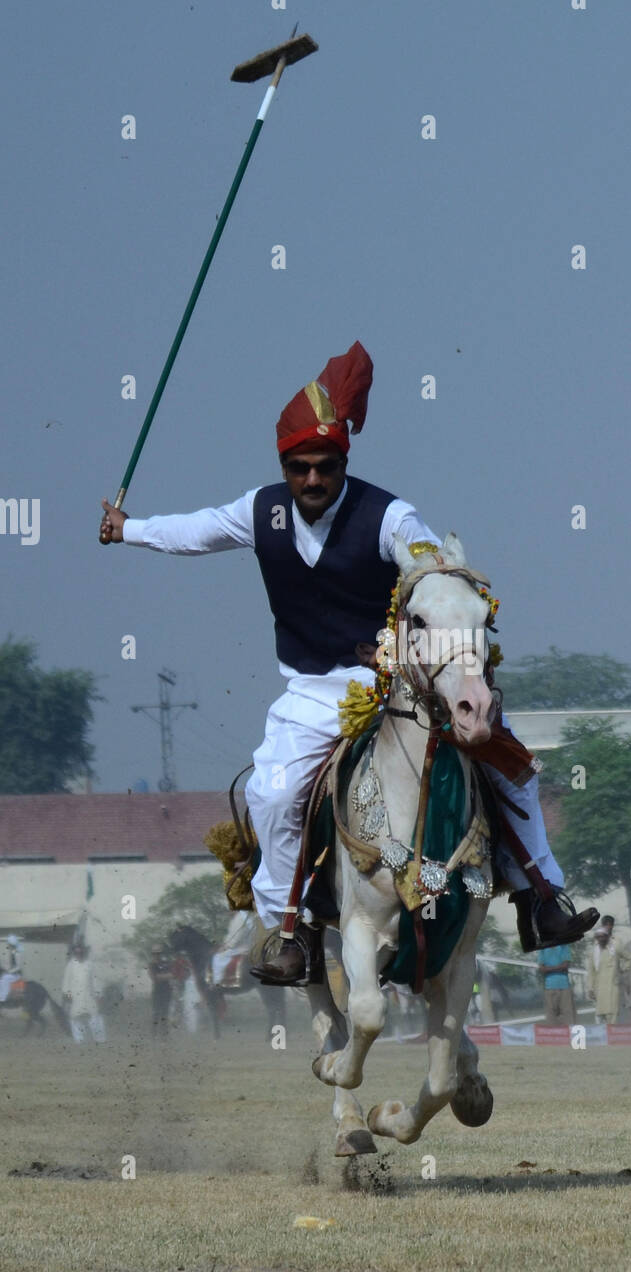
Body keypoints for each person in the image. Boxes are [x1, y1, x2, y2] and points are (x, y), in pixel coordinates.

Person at [99, 341, 595, 986]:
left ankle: (541, 897)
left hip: (395, 683)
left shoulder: (388, 514)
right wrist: (129, 528)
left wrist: (438, 574)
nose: (313, 479)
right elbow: (195, 532)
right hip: (309, 692)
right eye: (301, 467)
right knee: (271, 794)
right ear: (285, 466)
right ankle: (285, 931)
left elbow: (425, 557)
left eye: (326, 467)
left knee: (511, 767)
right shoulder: (260, 512)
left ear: (343, 462)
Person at [61, 943, 106, 1043]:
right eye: (76, 952)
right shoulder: (71, 965)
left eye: (80, 952)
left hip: (89, 996)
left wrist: (98, 994)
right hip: (75, 997)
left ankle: (100, 1039)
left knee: (95, 1016)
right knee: (75, 1019)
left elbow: (95, 980)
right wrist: (68, 997)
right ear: (74, 953)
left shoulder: (90, 964)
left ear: (84, 952)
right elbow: (66, 982)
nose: (79, 954)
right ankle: (79, 1039)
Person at [586, 925, 623, 1023]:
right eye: (599, 937)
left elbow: (627, 958)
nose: (601, 939)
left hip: (612, 985)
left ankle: (613, 1035)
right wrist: (590, 988)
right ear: (596, 938)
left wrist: (622, 971)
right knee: (600, 1015)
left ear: (607, 937)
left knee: (612, 1014)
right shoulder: (594, 951)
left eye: (603, 936)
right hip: (599, 987)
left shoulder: (613, 948)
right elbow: (591, 971)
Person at [538, 943, 575, 1025]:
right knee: (551, 1017)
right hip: (549, 986)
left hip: (564, 986)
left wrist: (549, 968)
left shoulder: (564, 946)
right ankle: (553, 1037)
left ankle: (568, 1036)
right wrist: (558, 967)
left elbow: (565, 965)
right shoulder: (543, 948)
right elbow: (541, 969)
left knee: (567, 1015)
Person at [148, 946, 173, 1037]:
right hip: (157, 992)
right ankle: (154, 1035)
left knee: (165, 1014)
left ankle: (164, 1036)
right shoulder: (152, 965)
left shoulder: (166, 963)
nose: (157, 955)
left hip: (166, 991)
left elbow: (172, 974)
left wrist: (162, 976)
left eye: (158, 953)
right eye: (155, 954)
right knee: (156, 1014)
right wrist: (165, 976)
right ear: (153, 954)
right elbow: (154, 977)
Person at [0, 934, 22, 1003]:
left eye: (9, 944)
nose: (8, 945)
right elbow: (8, 964)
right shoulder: (10, 952)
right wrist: (4, 968)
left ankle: (2, 999)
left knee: (4, 979)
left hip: (16, 974)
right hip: (11, 972)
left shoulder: (17, 954)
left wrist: (9, 972)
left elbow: (19, 967)